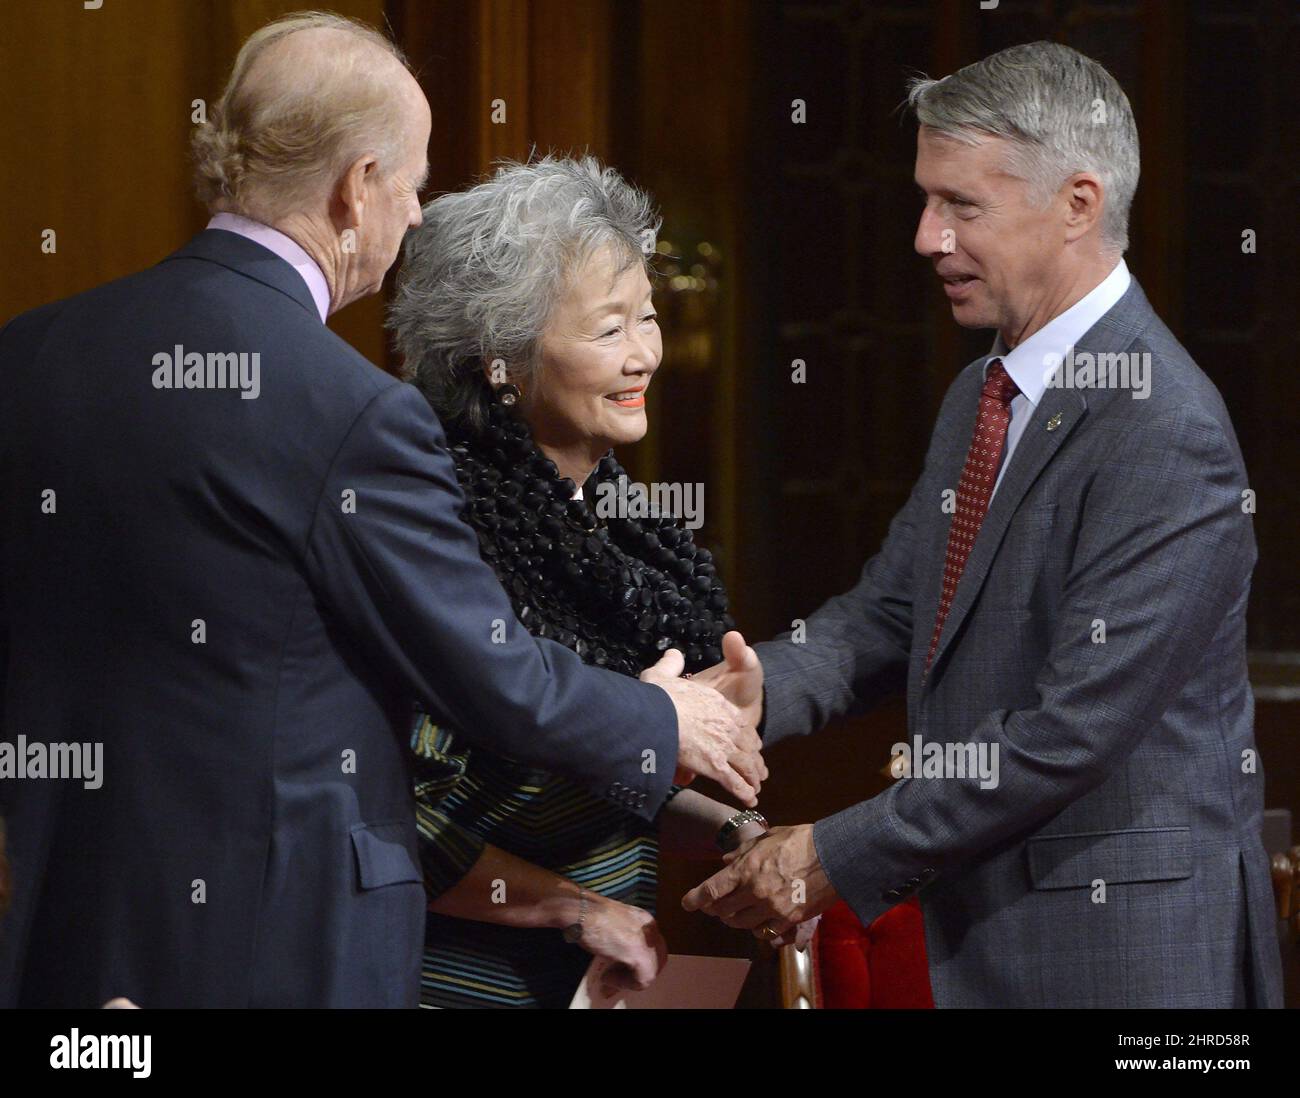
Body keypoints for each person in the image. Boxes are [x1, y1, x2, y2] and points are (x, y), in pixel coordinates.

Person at [0, 12, 763, 1009]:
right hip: (278, 945)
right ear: (358, 188)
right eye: (410, 186)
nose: (411, 220)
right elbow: (491, 677)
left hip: (68, 920)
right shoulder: (350, 409)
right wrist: (661, 713)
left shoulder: (31, 353)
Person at [685, 41, 1284, 1008]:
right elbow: (887, 614)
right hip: (996, 943)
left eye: (962, 205)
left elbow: (1071, 732)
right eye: (927, 200)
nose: (926, 237)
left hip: (1124, 966)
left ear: (1078, 204)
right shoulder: (984, 393)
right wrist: (744, 698)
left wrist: (833, 852)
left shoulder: (1164, 425)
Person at [389, 157, 770, 1007]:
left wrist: (732, 831)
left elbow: (587, 787)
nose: (644, 356)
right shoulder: (445, 527)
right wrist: (577, 910)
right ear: (500, 361)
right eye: (607, 332)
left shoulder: (607, 502)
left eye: (647, 318)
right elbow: (397, 822)